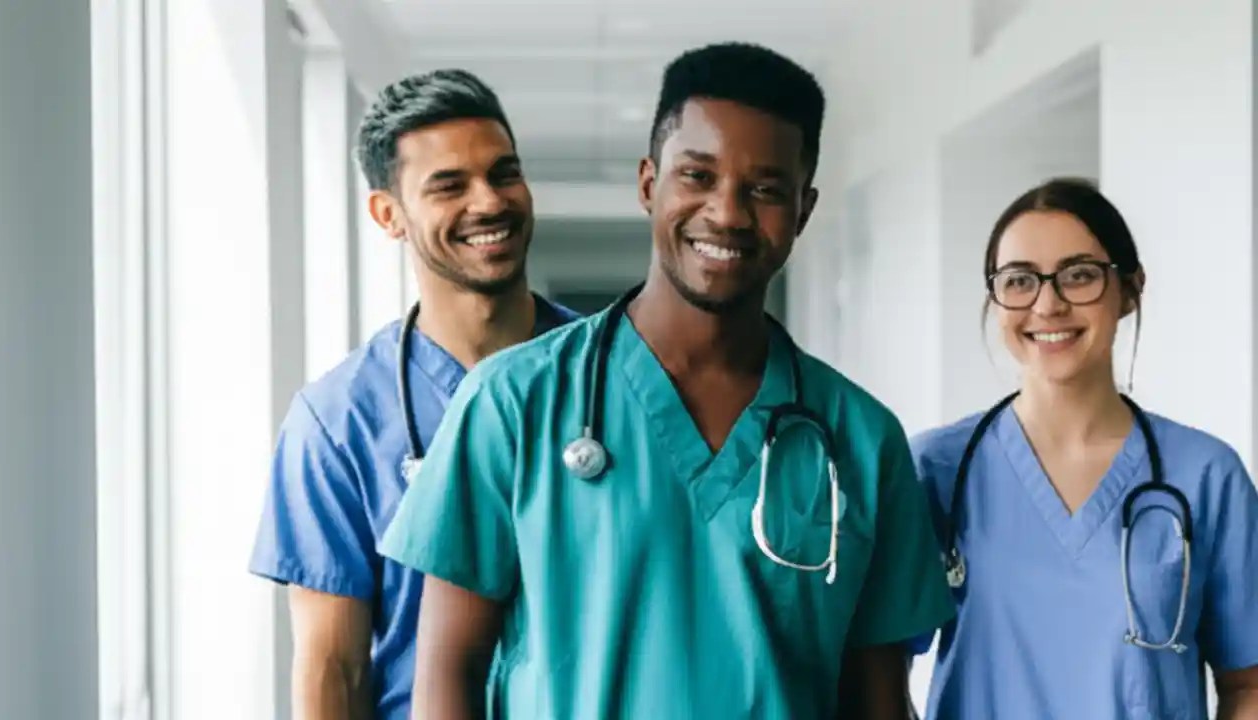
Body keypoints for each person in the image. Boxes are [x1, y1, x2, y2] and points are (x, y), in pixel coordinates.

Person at [379, 42, 955, 719]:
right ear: (650, 182)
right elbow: (448, 676)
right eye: (698, 176)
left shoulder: (859, 439)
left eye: (765, 189)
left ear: (803, 209)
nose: (728, 213)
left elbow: (878, 699)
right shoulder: (513, 403)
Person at [247, 68, 579, 718]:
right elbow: (331, 670)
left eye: (504, 173)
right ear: (387, 214)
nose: (489, 202)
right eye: (449, 186)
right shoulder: (338, 421)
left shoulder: (613, 374)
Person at [908, 177, 1258, 719]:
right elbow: (870, 668)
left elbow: (1248, 684)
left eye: (1078, 275)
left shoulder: (1205, 476)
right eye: (1020, 280)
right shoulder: (935, 470)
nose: (1048, 304)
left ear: (1130, 290)